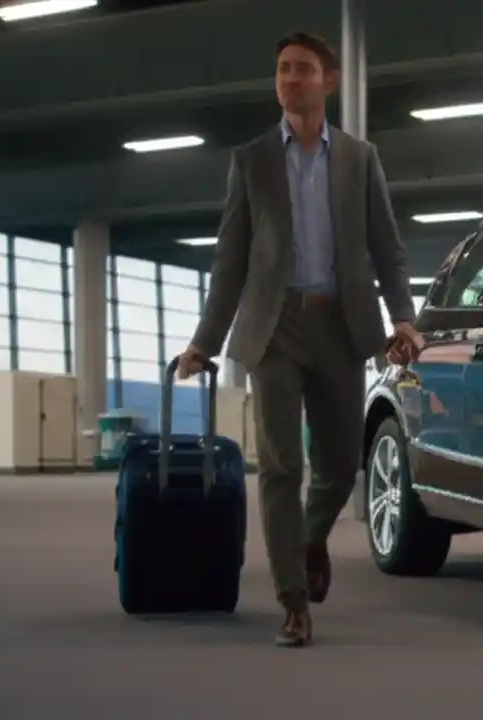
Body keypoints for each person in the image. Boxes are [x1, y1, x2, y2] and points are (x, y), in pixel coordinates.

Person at [176, 31, 423, 647]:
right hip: (276, 325)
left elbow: (385, 247)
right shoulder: (251, 159)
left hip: (342, 323)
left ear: (328, 81)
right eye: (282, 68)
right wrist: (204, 340)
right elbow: (229, 261)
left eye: (303, 69)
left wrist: (403, 317)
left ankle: (311, 537)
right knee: (282, 464)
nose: (289, 78)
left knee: (342, 463)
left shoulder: (359, 159)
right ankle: (292, 599)